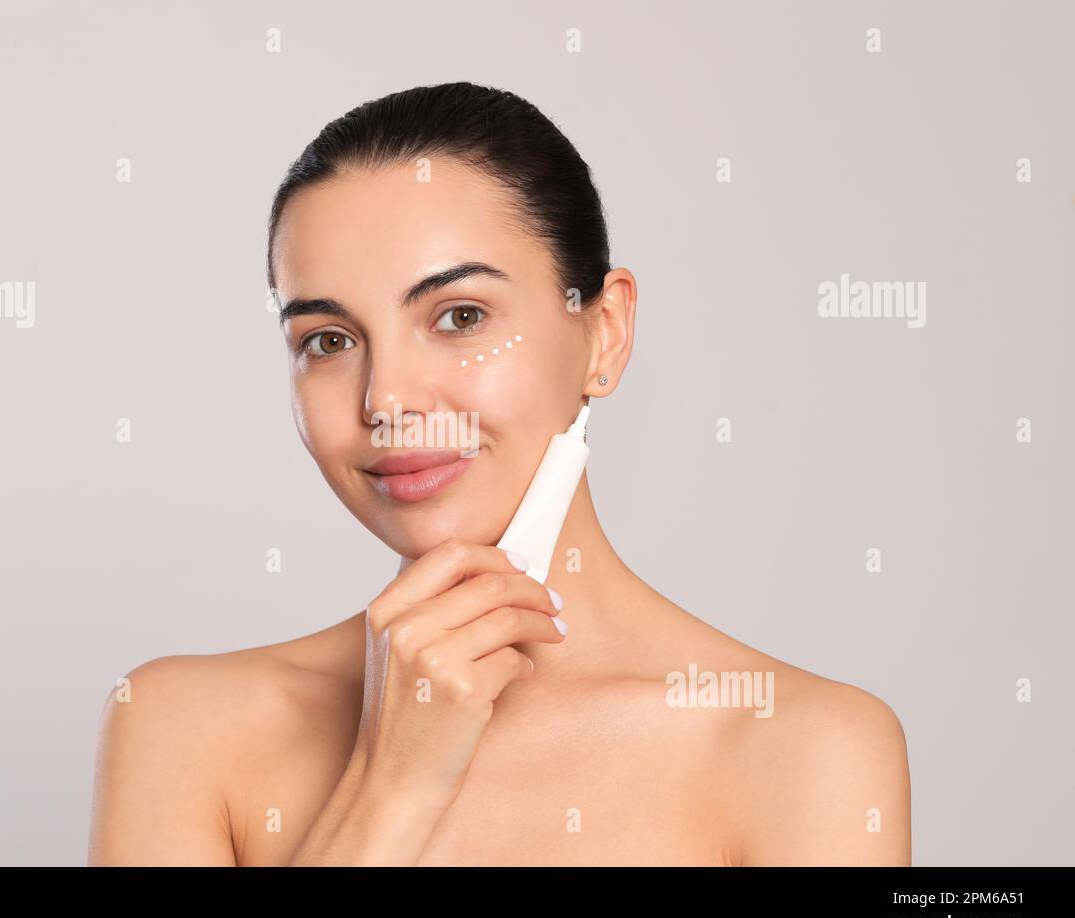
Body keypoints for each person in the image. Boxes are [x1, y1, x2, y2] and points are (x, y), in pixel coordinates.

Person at [87, 81, 911, 866]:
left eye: (459, 317)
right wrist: (388, 789)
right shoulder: (180, 728)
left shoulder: (802, 744)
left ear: (604, 333)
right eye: (328, 340)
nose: (388, 401)